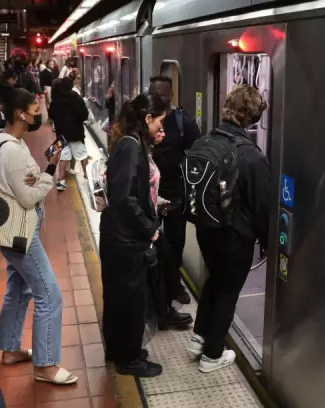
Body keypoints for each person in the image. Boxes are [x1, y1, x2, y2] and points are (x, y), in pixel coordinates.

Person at [0, 88, 78, 385]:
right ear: (21, 114)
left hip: (7, 229)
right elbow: (27, 197)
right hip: (18, 231)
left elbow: (10, 181)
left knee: (19, 288)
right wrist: (50, 171)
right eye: (35, 110)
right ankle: (45, 365)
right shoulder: (11, 149)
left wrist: (32, 178)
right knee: (49, 293)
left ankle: (10, 348)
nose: (38, 114)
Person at [186, 86, 271, 373]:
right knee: (228, 292)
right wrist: (267, 241)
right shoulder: (252, 156)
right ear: (253, 117)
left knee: (214, 281)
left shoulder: (205, 141)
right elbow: (262, 206)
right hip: (234, 237)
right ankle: (212, 355)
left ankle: (198, 338)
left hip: (205, 228)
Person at [100, 93, 168, 377]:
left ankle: (120, 350)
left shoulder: (130, 143)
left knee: (120, 298)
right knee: (129, 300)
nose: (161, 128)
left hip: (119, 236)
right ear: (147, 119)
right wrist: (150, 229)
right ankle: (128, 359)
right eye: (159, 122)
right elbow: (125, 198)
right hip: (125, 240)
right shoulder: (130, 147)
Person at [149, 75, 202, 304]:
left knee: (175, 241)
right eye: (152, 93)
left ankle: (173, 284)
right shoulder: (145, 119)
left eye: (161, 94)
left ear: (170, 95)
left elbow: (197, 151)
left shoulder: (183, 122)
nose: (156, 98)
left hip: (175, 192)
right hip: (149, 191)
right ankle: (153, 282)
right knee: (149, 237)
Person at [49, 76, 89, 192]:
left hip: (62, 134)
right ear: (71, 85)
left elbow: (51, 114)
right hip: (76, 133)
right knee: (83, 155)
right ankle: (88, 176)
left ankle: (60, 181)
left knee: (63, 157)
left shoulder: (56, 99)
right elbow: (84, 115)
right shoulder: (76, 98)